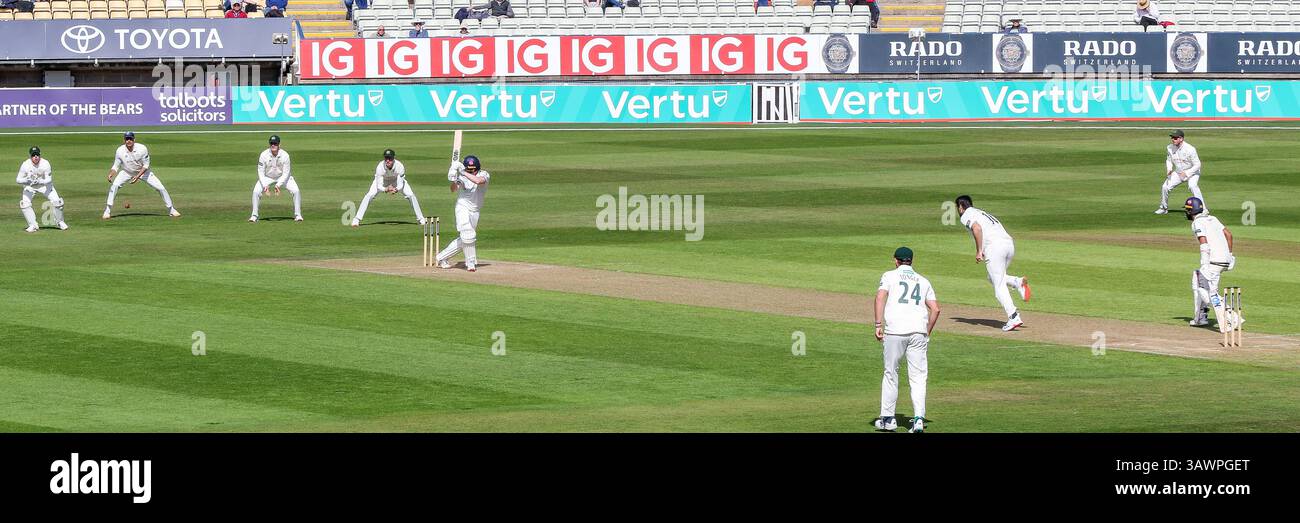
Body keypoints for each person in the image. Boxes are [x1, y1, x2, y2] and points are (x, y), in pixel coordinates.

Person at [873, 247, 939, 433]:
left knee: (891, 373)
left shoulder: (889, 276)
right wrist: (926, 332)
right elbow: (935, 309)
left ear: (896, 261)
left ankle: (888, 419)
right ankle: (918, 420)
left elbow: (880, 297)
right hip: (918, 331)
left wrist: (878, 324)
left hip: (895, 331)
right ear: (911, 260)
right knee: (918, 377)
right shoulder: (924, 281)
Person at [955, 195, 1030, 331]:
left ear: (960, 207)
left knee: (999, 286)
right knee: (993, 278)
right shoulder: (981, 212)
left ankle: (1013, 317)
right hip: (1009, 245)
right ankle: (1017, 282)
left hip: (996, 248)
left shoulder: (966, 214)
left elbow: (977, 229)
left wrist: (979, 251)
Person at [1184, 197, 1237, 331]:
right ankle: (1200, 318)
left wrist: (1204, 264)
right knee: (1199, 280)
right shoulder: (1213, 218)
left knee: (1207, 291)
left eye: (1187, 210)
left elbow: (1204, 243)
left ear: (1191, 211)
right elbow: (1229, 235)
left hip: (1213, 261)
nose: (1186, 213)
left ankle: (1232, 318)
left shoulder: (1197, 223)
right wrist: (1230, 257)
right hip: (1224, 260)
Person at [103, 132, 180, 220]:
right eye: (127, 139)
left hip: (143, 172)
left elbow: (146, 165)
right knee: (114, 186)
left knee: (160, 188)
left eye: (130, 139)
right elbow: (115, 166)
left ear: (134, 140)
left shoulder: (142, 148)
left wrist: (138, 176)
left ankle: (171, 210)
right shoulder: (120, 150)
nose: (129, 141)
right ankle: (107, 210)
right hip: (127, 172)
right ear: (124, 140)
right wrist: (111, 174)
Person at [435, 155, 491, 272]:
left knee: (466, 239)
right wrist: (453, 177)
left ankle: (441, 257)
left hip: (475, 211)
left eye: (473, 169)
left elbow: (478, 181)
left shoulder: (484, 174)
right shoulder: (462, 175)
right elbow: (453, 189)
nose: (472, 171)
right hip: (462, 207)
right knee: (468, 234)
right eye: (469, 169)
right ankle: (471, 263)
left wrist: (463, 173)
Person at [351, 149, 426, 228]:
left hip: (396, 181)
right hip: (384, 181)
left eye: (390, 158)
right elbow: (379, 186)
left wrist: (396, 189)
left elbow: (400, 184)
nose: (387, 160)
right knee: (369, 195)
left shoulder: (400, 166)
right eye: (386, 158)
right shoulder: (380, 167)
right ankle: (356, 219)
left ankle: (421, 219)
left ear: (393, 158)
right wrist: (386, 189)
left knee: (410, 195)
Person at [250, 135, 302, 223]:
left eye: (275, 143)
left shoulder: (285, 155)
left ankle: (298, 215)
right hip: (267, 177)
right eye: (271, 143)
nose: (273, 145)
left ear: (279, 144)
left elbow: (286, 173)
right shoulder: (263, 154)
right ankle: (254, 216)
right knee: (256, 191)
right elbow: (260, 172)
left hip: (283, 177)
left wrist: (278, 185)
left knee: (296, 191)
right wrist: (265, 185)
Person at [16, 146, 68, 233]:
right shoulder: (25, 164)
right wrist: (26, 181)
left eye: (37, 155)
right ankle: (33, 225)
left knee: (58, 202)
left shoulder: (45, 163)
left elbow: (49, 179)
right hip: (30, 186)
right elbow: (18, 179)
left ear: (40, 155)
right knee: (24, 204)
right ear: (30, 156)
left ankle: (60, 222)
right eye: (33, 155)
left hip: (45, 186)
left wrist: (40, 181)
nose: (35, 157)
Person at [1154, 130, 1206, 215]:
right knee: (1165, 187)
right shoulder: (1170, 147)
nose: (1173, 139)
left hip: (1192, 172)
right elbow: (1169, 160)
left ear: (1181, 139)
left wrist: (1187, 173)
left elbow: (1198, 165)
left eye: (1175, 138)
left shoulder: (1190, 149)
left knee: (1192, 186)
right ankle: (1163, 208)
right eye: (1172, 138)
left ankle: (1203, 210)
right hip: (1178, 172)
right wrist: (1169, 169)